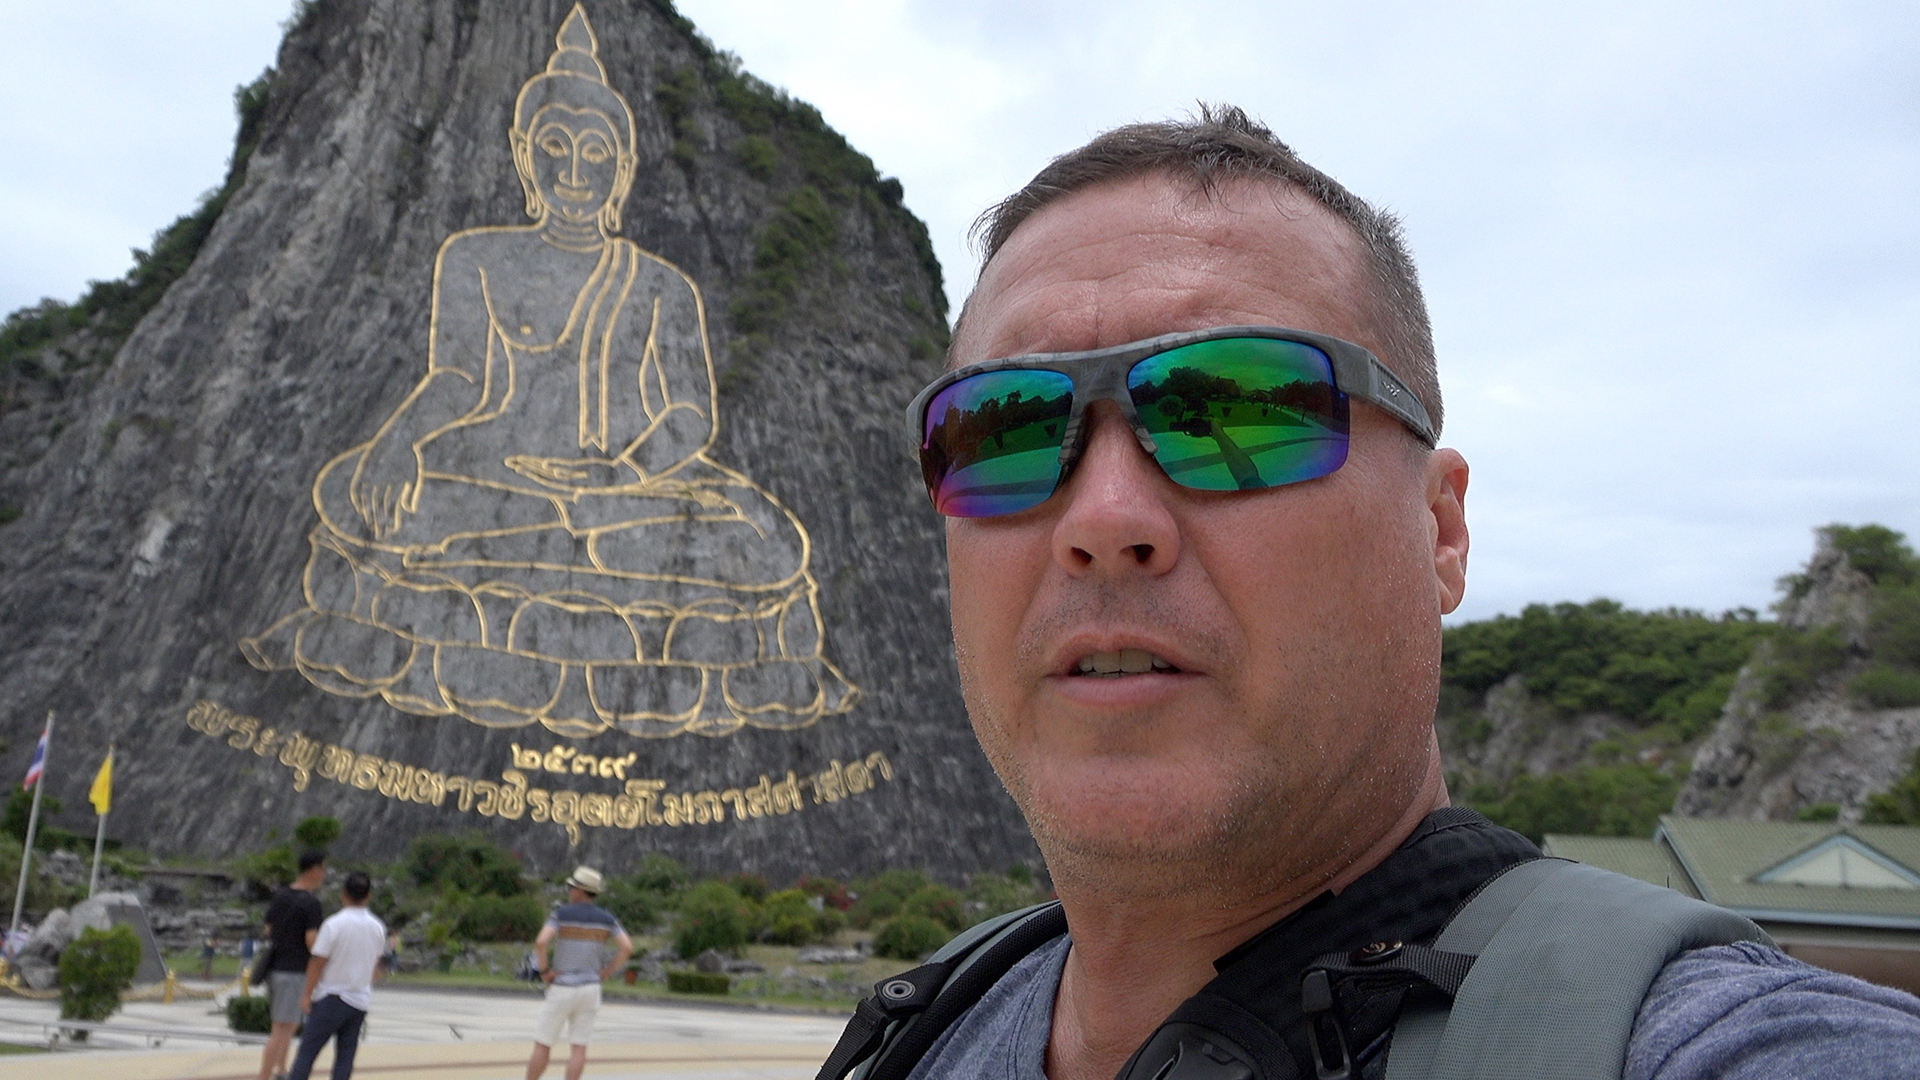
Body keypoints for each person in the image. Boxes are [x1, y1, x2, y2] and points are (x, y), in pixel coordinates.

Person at [850, 106, 1920, 1079]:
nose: (1103, 520)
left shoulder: (1719, 1048)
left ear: (1441, 530)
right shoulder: (928, 1033)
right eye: (1005, 432)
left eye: (1243, 408)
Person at [240, 5, 856, 739]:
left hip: (636, 493)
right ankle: (563, 598)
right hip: (504, 476)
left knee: (767, 543)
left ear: (623, 168)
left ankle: (508, 605)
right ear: (522, 152)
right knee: (359, 493)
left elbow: (690, 415)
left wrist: (623, 477)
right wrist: (397, 439)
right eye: (554, 147)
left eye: (596, 153)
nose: (574, 172)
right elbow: (461, 378)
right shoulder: (477, 257)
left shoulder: (662, 285)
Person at [525, 866, 632, 1080]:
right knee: (579, 1048)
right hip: (591, 987)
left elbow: (541, 941)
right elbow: (627, 947)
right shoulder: (607, 919)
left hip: (563, 985)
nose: (569, 890)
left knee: (544, 1043)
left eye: (572, 886)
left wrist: (544, 970)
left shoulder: (561, 914)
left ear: (581, 890)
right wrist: (607, 971)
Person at [288, 871, 387, 1080]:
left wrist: (307, 994)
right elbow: (375, 966)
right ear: (368, 895)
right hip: (359, 1000)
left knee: (307, 1053)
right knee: (345, 1057)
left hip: (331, 997)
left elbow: (317, 962)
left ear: (343, 894)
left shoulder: (334, 924)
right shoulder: (378, 927)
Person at [258, 850, 325, 1080]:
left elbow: (268, 928)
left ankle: (281, 1071)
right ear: (315, 869)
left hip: (275, 968)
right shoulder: (311, 903)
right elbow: (312, 941)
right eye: (323, 869)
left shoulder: (281, 895)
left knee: (287, 1027)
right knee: (281, 1030)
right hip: (295, 971)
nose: (324, 874)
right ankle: (265, 1075)